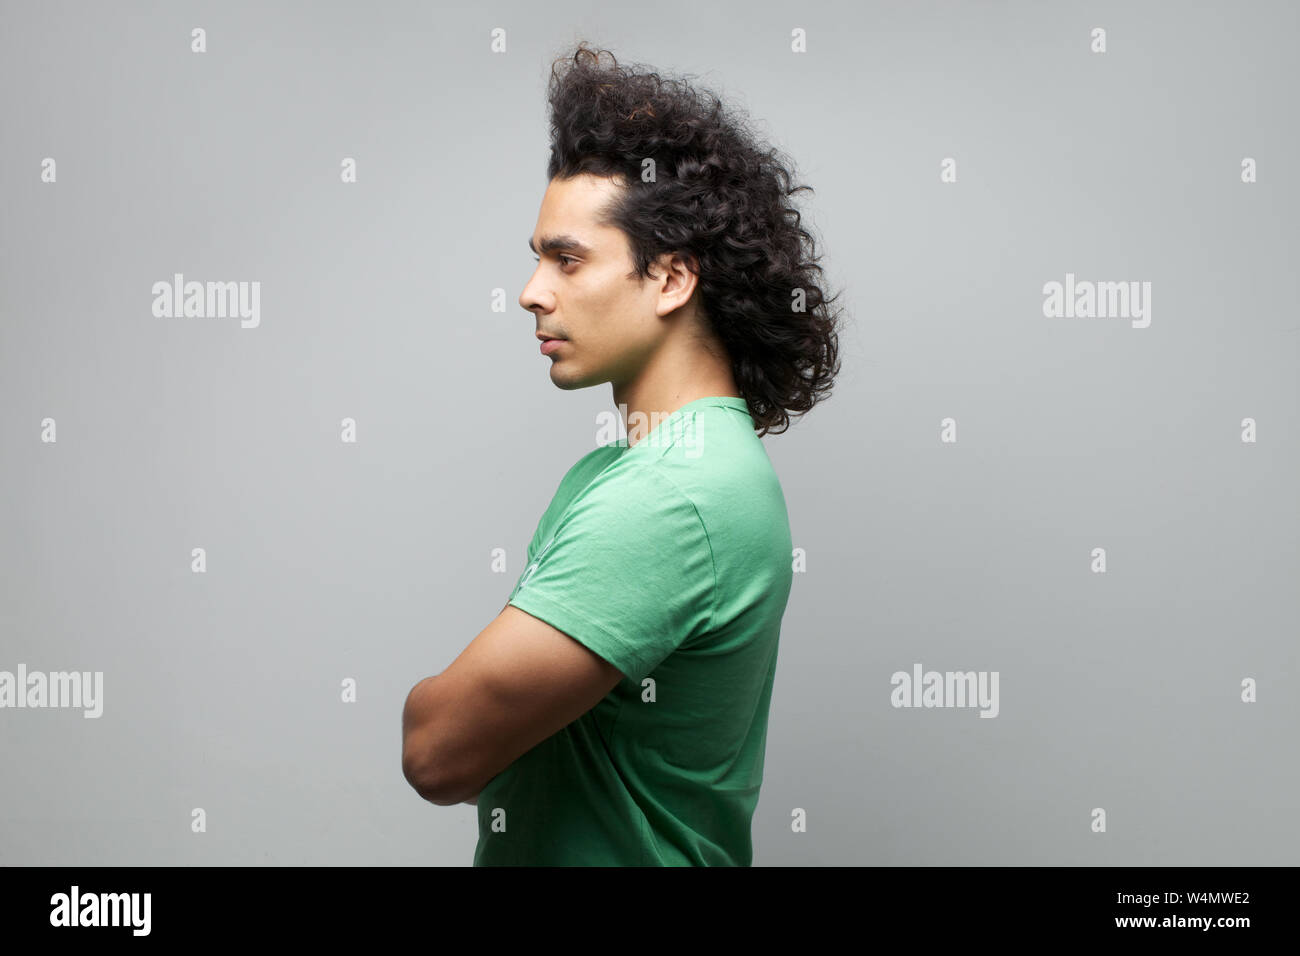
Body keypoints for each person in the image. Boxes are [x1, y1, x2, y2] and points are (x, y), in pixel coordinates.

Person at [401, 42, 843, 865]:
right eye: (537, 259)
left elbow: (436, 749)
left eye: (567, 259)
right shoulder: (668, 468)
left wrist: (432, 697)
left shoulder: (672, 496)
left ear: (672, 279)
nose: (533, 291)